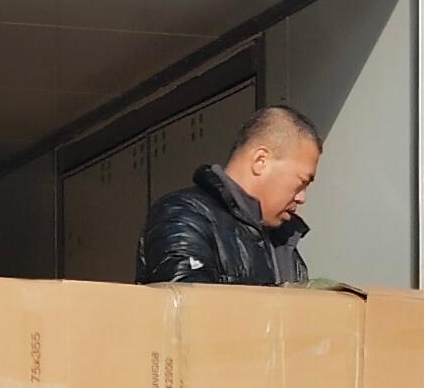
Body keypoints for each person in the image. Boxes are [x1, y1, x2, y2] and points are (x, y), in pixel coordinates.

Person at [134, 105, 322, 285]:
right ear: (260, 161)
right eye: (302, 182)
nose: (301, 198)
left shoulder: (283, 240)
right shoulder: (184, 215)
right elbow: (188, 301)